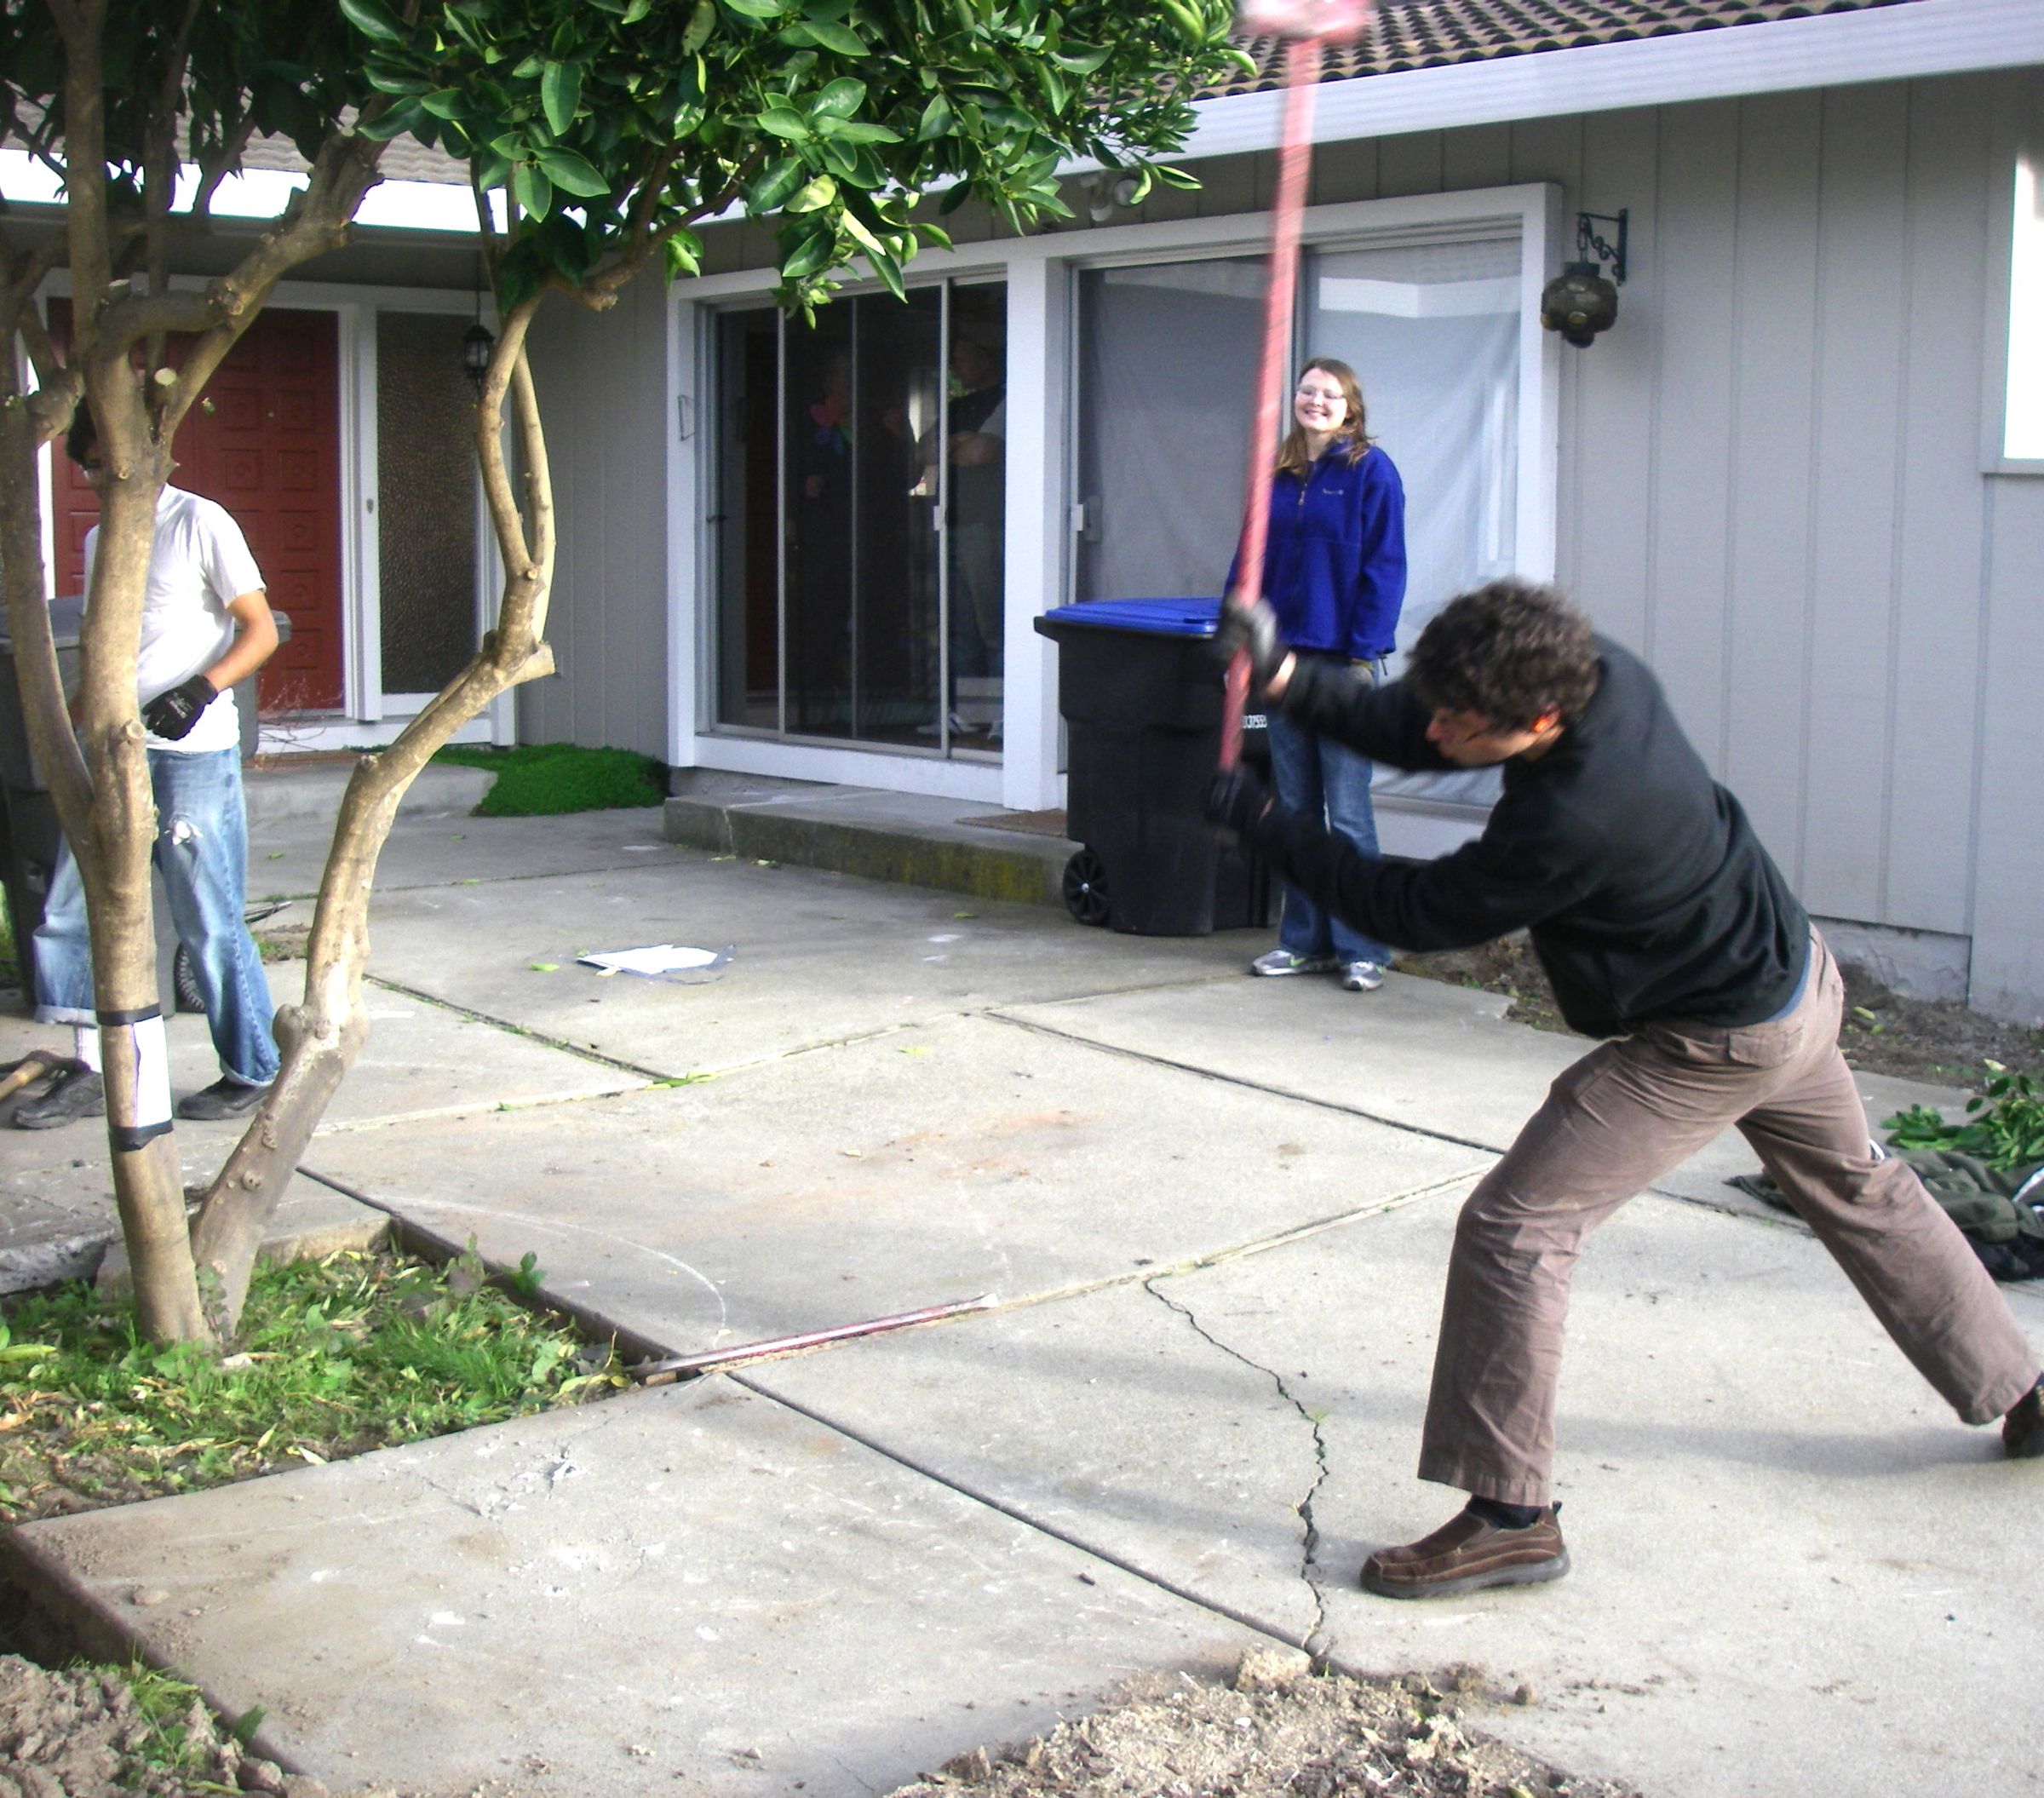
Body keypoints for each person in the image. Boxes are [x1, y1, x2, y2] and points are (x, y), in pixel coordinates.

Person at [1208, 577, 2043, 1598]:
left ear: (1540, 719)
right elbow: (1427, 723)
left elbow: (1420, 908)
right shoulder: (1595, 671)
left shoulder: (1579, 816)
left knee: (1516, 1227)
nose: (1432, 726)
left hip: (1716, 1037)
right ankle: (2025, 1386)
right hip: (1791, 975)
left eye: (1460, 718)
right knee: (1862, 1187)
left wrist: (1271, 825)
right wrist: (1289, 675)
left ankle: (1511, 1515)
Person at [14, 412, 282, 1129]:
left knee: (207, 917)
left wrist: (200, 690)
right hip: (112, 749)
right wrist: (75, 711)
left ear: (153, 459)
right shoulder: (102, 538)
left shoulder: (202, 522)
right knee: (71, 908)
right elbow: (117, 642)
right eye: (93, 469)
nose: (106, 481)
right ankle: (90, 1068)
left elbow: (260, 629)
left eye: (115, 465)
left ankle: (252, 1067)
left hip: (190, 758)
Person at [1229, 358, 1404, 994]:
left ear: (1350, 407)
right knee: (1297, 809)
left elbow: (1385, 567)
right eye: (1307, 390)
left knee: (1349, 812)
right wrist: (1242, 645)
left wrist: (1363, 656)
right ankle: (1303, 943)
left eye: (1329, 394)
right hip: (1282, 664)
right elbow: (1247, 565)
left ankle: (1363, 949)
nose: (1316, 401)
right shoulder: (1276, 474)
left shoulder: (1369, 472)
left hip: (1340, 665)